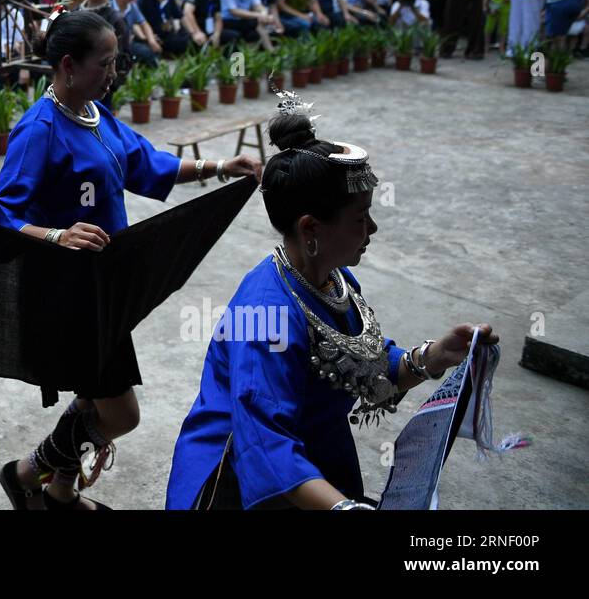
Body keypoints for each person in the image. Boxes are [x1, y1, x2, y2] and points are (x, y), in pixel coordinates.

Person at [166, 95, 498, 509]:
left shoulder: (333, 280)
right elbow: (266, 448)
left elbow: (364, 368)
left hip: (312, 467)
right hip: (247, 483)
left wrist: (435, 355)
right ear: (311, 229)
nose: (372, 228)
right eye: (360, 218)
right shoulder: (265, 316)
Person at [0, 10, 261, 510]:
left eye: (117, 61)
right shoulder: (38, 129)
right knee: (120, 415)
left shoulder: (96, 113)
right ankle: (25, 472)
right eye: (105, 62)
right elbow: (1, 216)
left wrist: (223, 165)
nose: (114, 73)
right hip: (67, 294)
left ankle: (60, 491)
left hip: (105, 287)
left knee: (95, 401)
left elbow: (147, 164)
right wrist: (57, 234)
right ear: (68, 65)